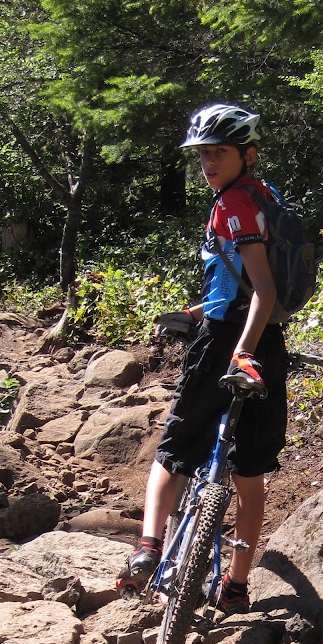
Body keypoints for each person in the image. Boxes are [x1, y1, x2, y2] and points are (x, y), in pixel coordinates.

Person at [117, 102, 288, 613]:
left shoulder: (231, 205)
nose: (208, 163)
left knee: (175, 446)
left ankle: (147, 548)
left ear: (248, 154)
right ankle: (236, 585)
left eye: (219, 152)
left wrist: (238, 350)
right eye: (203, 154)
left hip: (231, 344)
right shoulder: (267, 199)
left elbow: (262, 289)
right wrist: (198, 309)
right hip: (270, 344)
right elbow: (245, 284)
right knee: (250, 470)